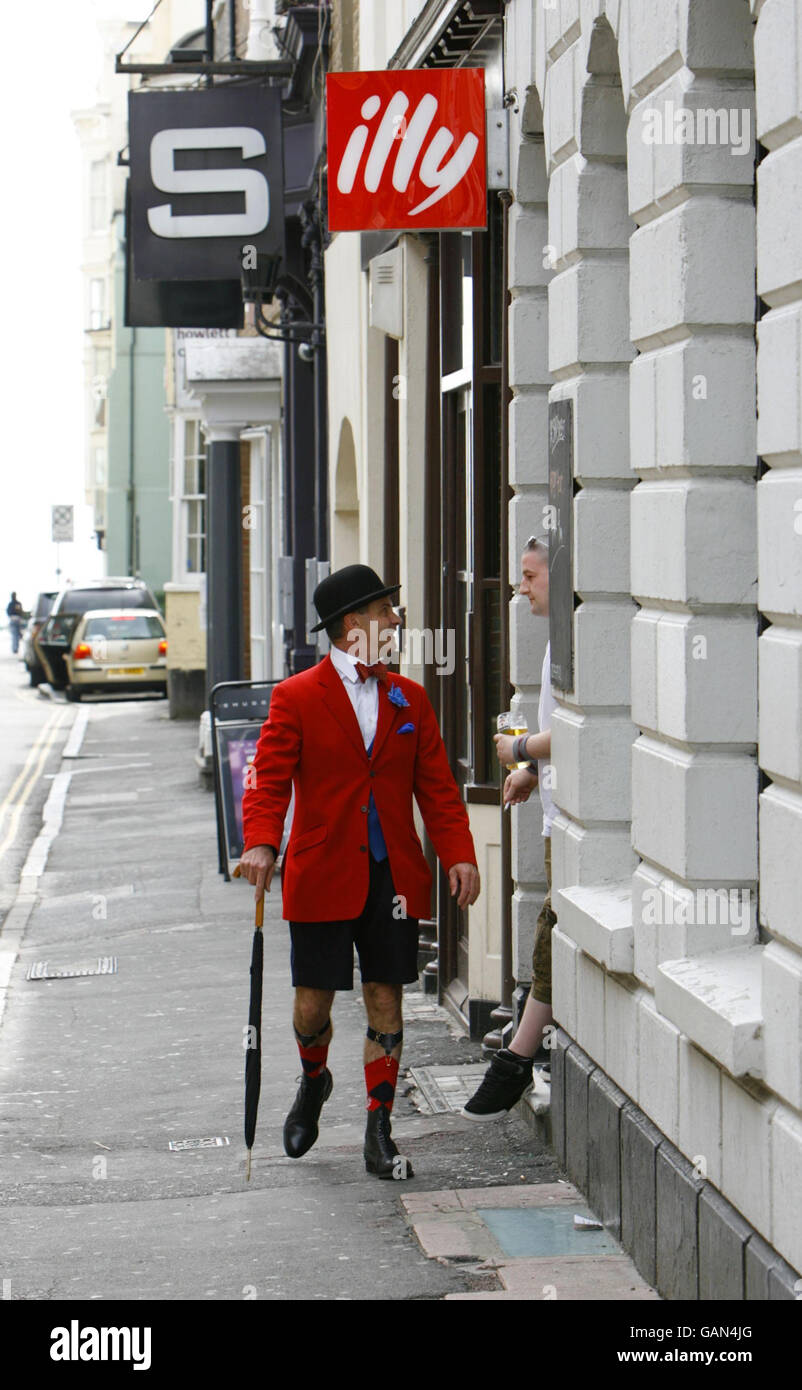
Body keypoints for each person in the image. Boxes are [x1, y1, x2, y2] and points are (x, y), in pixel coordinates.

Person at [238, 564, 480, 1178]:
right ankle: (314, 1080)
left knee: (385, 996)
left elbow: (438, 790)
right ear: (354, 625)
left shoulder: (410, 699)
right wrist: (263, 843)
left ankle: (379, 1126)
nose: (397, 622)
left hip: (392, 875)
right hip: (322, 871)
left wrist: (459, 852)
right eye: (387, 612)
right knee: (311, 1006)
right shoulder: (295, 696)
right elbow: (267, 781)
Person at [462, 537, 557, 1120]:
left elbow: (583, 728)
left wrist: (517, 749)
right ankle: (522, 1054)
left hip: (566, 821)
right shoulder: (558, 643)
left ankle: (520, 1057)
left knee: (551, 930)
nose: (521, 590)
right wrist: (530, 771)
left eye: (529, 576)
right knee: (551, 927)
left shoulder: (579, 637)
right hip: (558, 815)